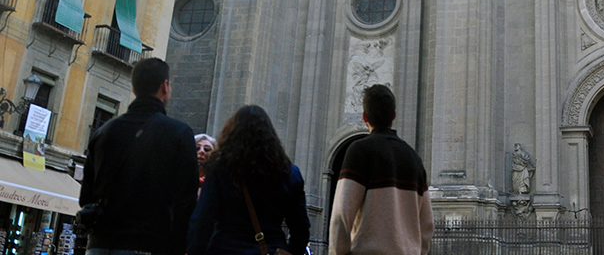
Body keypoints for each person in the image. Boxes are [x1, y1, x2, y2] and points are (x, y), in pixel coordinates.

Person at [79, 58, 198, 255]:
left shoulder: (103, 132)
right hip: (148, 244)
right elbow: (185, 203)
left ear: (133, 89)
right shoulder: (179, 133)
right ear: (165, 86)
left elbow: (86, 197)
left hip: (99, 245)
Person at [188, 105, 310, 255]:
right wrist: (292, 251)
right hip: (270, 249)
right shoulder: (290, 173)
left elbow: (202, 219)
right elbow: (301, 228)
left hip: (226, 249)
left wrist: (194, 250)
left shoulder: (221, 169)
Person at [329, 85, 433, 255]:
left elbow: (341, 216)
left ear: (364, 117)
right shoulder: (414, 158)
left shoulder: (359, 151)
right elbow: (427, 224)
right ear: (394, 116)